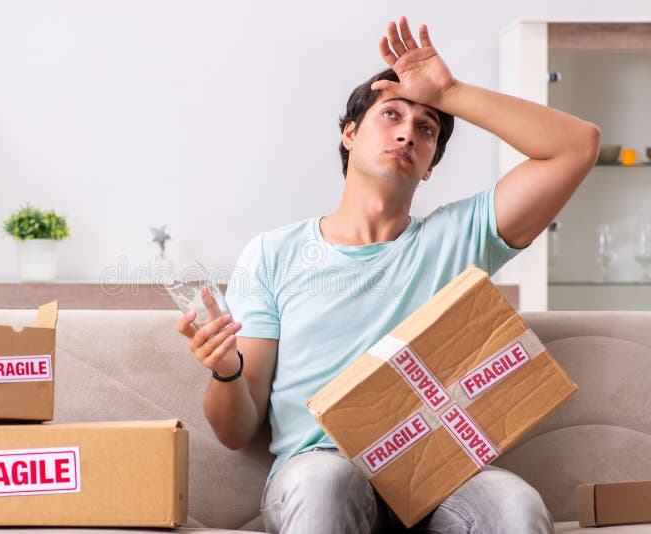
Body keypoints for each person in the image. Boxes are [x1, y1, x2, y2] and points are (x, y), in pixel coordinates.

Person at [176, 16, 600, 534]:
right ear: (350, 135)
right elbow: (236, 431)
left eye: (426, 128)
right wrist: (226, 371)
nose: (407, 133)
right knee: (324, 485)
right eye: (392, 114)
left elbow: (578, 145)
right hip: (320, 465)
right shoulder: (272, 254)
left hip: (440, 472)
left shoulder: (460, 237)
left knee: (515, 503)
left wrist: (450, 93)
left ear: (430, 165)